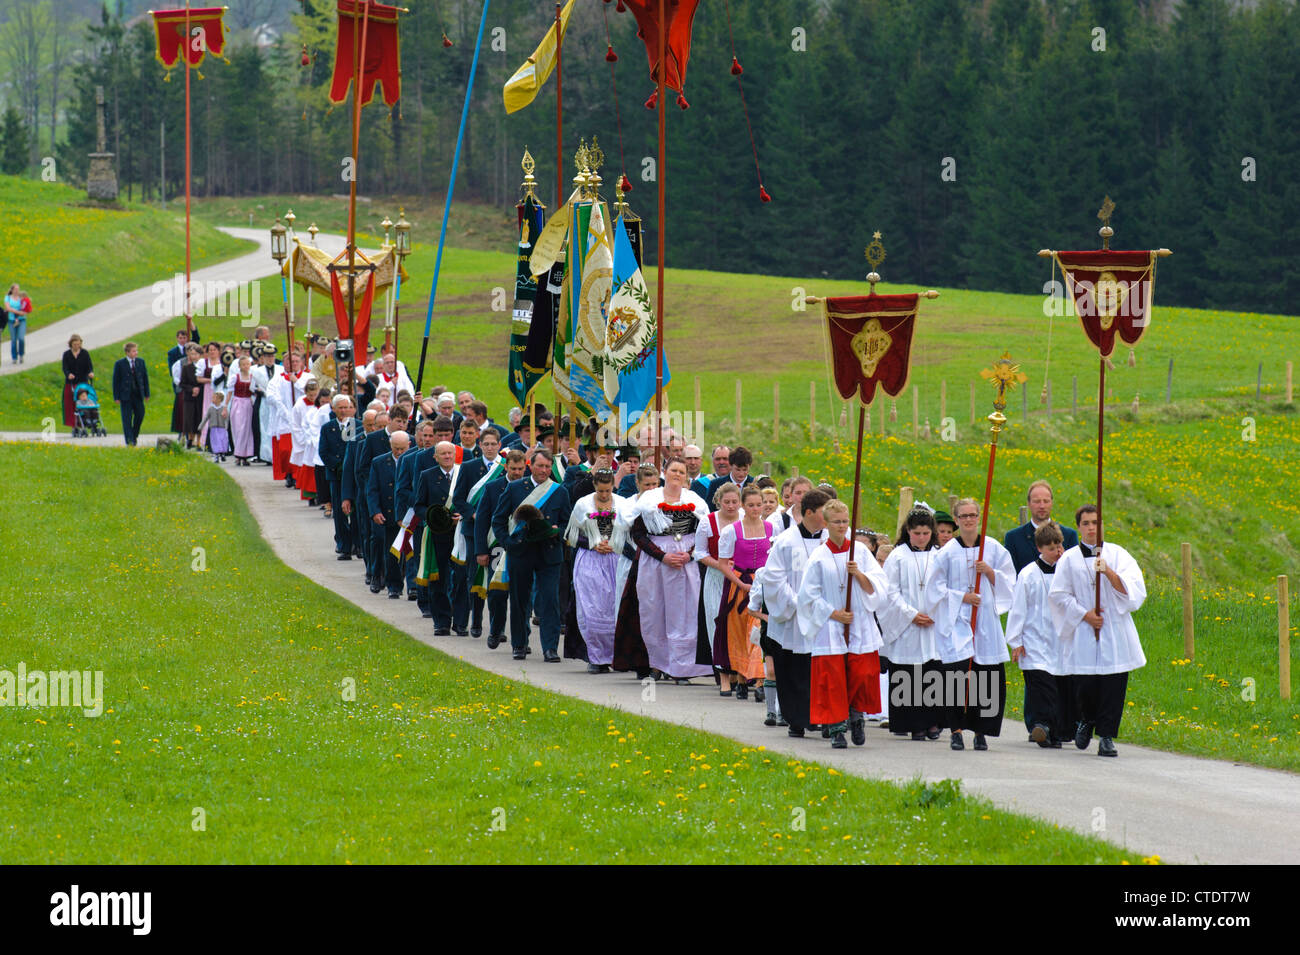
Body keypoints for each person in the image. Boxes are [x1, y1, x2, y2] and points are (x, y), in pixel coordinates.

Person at [1049, 505, 1147, 758]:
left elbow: (1134, 590)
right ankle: (1086, 720)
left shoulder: (1118, 554)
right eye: (1086, 523)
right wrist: (1085, 615)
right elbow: (1059, 594)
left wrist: (1109, 572)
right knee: (1086, 683)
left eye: (1095, 522)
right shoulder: (1069, 558)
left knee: (1113, 684)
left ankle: (1106, 736)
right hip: (1084, 628)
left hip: (1113, 628)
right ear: (1079, 527)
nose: (1091, 527)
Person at [924, 497, 1015, 751]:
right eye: (963, 516)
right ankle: (955, 729)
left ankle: (981, 730)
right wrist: (961, 597)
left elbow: (1010, 581)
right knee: (956, 676)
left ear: (979, 517)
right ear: (956, 520)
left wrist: (989, 572)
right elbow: (934, 590)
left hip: (984, 620)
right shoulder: (946, 553)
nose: (968, 520)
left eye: (973, 515)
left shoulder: (993, 549)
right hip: (956, 622)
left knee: (986, 676)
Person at [797, 499, 888, 749]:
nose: (841, 526)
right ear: (826, 523)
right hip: (831, 625)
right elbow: (808, 596)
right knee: (833, 678)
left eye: (845, 522)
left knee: (861, 673)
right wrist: (834, 613)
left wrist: (858, 574)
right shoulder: (818, 556)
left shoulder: (859, 552)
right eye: (836, 522)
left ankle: (856, 716)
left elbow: (879, 585)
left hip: (859, 623)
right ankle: (837, 728)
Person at [628, 459, 713, 682]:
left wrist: (690, 554)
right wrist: (662, 556)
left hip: (686, 563)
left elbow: (704, 533)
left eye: (682, 472)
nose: (677, 474)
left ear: (686, 476)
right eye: (673, 470)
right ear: (665, 472)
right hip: (655, 563)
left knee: (685, 613)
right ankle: (657, 664)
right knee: (654, 612)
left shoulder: (695, 501)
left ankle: (682, 667)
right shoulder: (649, 500)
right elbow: (637, 534)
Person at [492, 448, 572, 662]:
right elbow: (498, 520)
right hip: (521, 551)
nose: (544, 470)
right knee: (520, 601)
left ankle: (550, 648)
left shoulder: (559, 491)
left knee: (549, 601)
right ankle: (519, 644)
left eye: (547, 467)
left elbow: (567, 523)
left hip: (549, 552)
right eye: (540, 466)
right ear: (531, 466)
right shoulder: (515, 488)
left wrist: (557, 531)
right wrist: (509, 543)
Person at [878, 507, 943, 741]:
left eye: (926, 533)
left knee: (932, 673)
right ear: (908, 531)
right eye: (917, 533)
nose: (922, 538)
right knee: (909, 675)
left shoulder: (938, 555)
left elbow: (944, 587)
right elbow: (890, 592)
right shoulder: (897, 556)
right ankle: (914, 724)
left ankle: (932, 722)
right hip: (907, 623)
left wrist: (935, 612)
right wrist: (912, 614)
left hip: (932, 623)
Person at [1007, 521, 1068, 748]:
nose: (1056, 552)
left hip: (1060, 639)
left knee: (1060, 687)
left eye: (1059, 546)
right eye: (1051, 548)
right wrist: (1016, 641)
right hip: (1034, 640)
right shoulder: (1028, 574)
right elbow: (1018, 609)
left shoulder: (1066, 571)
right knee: (1041, 686)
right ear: (1040, 548)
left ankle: (1055, 731)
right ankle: (1042, 725)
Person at [714, 485, 773, 698]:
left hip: (764, 584)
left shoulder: (772, 528)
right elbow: (722, 564)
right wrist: (741, 584)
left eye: (760, 504)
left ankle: (759, 680)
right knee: (738, 632)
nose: (756, 509)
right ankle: (740, 678)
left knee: (758, 629)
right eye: (751, 505)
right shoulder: (732, 530)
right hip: (740, 584)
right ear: (742, 506)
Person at [565, 469, 625, 673]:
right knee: (591, 608)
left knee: (613, 607)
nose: (605, 495)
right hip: (590, 559)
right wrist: (593, 543)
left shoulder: (622, 503)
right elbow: (571, 536)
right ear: (595, 487)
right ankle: (595, 656)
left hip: (615, 558)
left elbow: (629, 531)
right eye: (601, 491)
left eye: (608, 490)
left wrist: (615, 544)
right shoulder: (583, 504)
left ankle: (615, 655)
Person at [476, 449, 527, 647]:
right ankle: (496, 629)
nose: (516, 472)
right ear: (506, 467)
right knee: (497, 592)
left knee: (523, 594)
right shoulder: (492, 488)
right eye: (513, 468)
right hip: (497, 546)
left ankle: (522, 637)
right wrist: (481, 551)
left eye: (520, 469)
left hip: (522, 548)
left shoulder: (531, 486)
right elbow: (482, 520)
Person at [455, 428, 503, 636]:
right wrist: (473, 514)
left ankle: (496, 625)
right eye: (487, 444)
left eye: (494, 444)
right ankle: (475, 620)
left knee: (497, 578)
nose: (490, 448)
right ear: (480, 445)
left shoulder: (504, 467)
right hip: (474, 529)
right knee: (475, 574)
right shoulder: (469, 467)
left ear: (499, 445)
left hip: (498, 531)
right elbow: (458, 499)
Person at [414, 441, 465, 633]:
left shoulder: (462, 473)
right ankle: (441, 622)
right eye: (442, 454)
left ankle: (460, 621)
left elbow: (472, 501)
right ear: (435, 456)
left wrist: (463, 515)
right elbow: (419, 505)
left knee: (461, 578)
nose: (447, 456)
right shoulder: (427, 476)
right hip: (438, 535)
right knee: (439, 580)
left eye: (450, 453)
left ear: (455, 454)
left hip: (460, 534)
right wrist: (435, 516)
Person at [696, 482, 743, 687]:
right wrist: (720, 565)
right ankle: (722, 670)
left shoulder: (746, 520)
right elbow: (699, 553)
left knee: (740, 623)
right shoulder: (708, 522)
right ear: (718, 502)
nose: (731, 506)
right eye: (727, 502)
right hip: (716, 577)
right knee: (716, 620)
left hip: (741, 578)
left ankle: (740, 671)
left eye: (734, 502)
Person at [366, 430, 410, 598]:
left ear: (409, 446)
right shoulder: (379, 462)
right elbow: (372, 490)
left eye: (402, 449)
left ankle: (413, 586)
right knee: (392, 552)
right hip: (389, 514)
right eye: (395, 448)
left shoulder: (414, 460)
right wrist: (375, 511)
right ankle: (394, 586)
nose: (399, 452)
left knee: (411, 553)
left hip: (410, 513)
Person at [1003, 480, 1079, 573]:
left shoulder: (1069, 535)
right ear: (1029, 503)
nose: (1042, 506)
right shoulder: (1013, 538)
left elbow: (1075, 571)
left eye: (1046, 501)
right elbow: (1011, 574)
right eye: (1037, 501)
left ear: (1052, 503)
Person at [320, 394, 358, 557]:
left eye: (346, 407)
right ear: (334, 409)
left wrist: (350, 467)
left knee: (356, 511)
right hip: (336, 476)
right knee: (339, 511)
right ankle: (344, 545)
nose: (343, 411)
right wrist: (338, 466)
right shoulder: (328, 427)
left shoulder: (356, 426)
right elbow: (323, 451)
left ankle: (358, 543)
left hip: (353, 477)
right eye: (340, 408)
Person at [111, 341, 150, 447]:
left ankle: (134, 434)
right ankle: (129, 440)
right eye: (133, 351)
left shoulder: (140, 362)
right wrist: (116, 396)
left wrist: (147, 393)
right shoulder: (119, 364)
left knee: (140, 414)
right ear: (127, 352)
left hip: (138, 394)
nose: (136, 353)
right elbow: (116, 381)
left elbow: (145, 378)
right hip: (125, 395)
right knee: (127, 418)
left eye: (136, 351)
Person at [705, 446, 753, 510]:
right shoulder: (716, 484)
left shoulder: (755, 483)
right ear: (731, 465)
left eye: (745, 470)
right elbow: (710, 509)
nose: (741, 473)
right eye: (738, 470)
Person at [228, 356, 256, 465]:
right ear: (239, 366)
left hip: (248, 403)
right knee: (238, 428)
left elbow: (253, 390)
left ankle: (245, 455)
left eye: (247, 364)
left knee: (247, 429)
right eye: (243, 364)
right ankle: (238, 454)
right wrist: (226, 406)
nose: (246, 366)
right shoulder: (235, 377)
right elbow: (230, 392)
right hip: (238, 402)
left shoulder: (252, 377)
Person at [62, 335, 95, 428]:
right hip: (71, 382)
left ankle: (85, 421)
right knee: (71, 403)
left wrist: (90, 373)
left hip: (82, 382)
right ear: (71, 344)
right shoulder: (66, 354)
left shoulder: (85, 353)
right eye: (74, 344)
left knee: (84, 402)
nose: (77, 346)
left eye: (78, 344)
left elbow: (89, 366)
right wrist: (68, 374)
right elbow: (65, 367)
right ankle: (73, 423)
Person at [179, 343, 204, 448]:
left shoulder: (204, 367)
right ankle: (190, 439)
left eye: (196, 354)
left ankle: (199, 441)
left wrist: (199, 388)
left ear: (200, 355)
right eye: (191, 354)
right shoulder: (186, 368)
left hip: (201, 396)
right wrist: (191, 389)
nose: (193, 356)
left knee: (199, 418)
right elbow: (182, 383)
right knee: (189, 419)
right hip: (189, 397)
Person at [4, 284, 30, 364]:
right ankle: (14, 357)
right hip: (12, 320)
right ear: (12, 290)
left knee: (21, 338)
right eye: (15, 289)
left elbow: (27, 305)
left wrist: (26, 311)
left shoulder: (21, 297)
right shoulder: (7, 298)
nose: (17, 291)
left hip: (21, 320)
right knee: (14, 339)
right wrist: (18, 312)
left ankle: (21, 355)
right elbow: (8, 308)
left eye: (18, 289)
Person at [203, 392, 231, 462]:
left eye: (214, 398)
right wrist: (201, 426)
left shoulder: (223, 408)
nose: (212, 399)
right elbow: (206, 417)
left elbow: (227, 418)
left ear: (219, 399)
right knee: (215, 441)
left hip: (222, 428)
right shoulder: (211, 408)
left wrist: (226, 426)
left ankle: (222, 453)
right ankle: (216, 455)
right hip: (214, 428)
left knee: (223, 441)